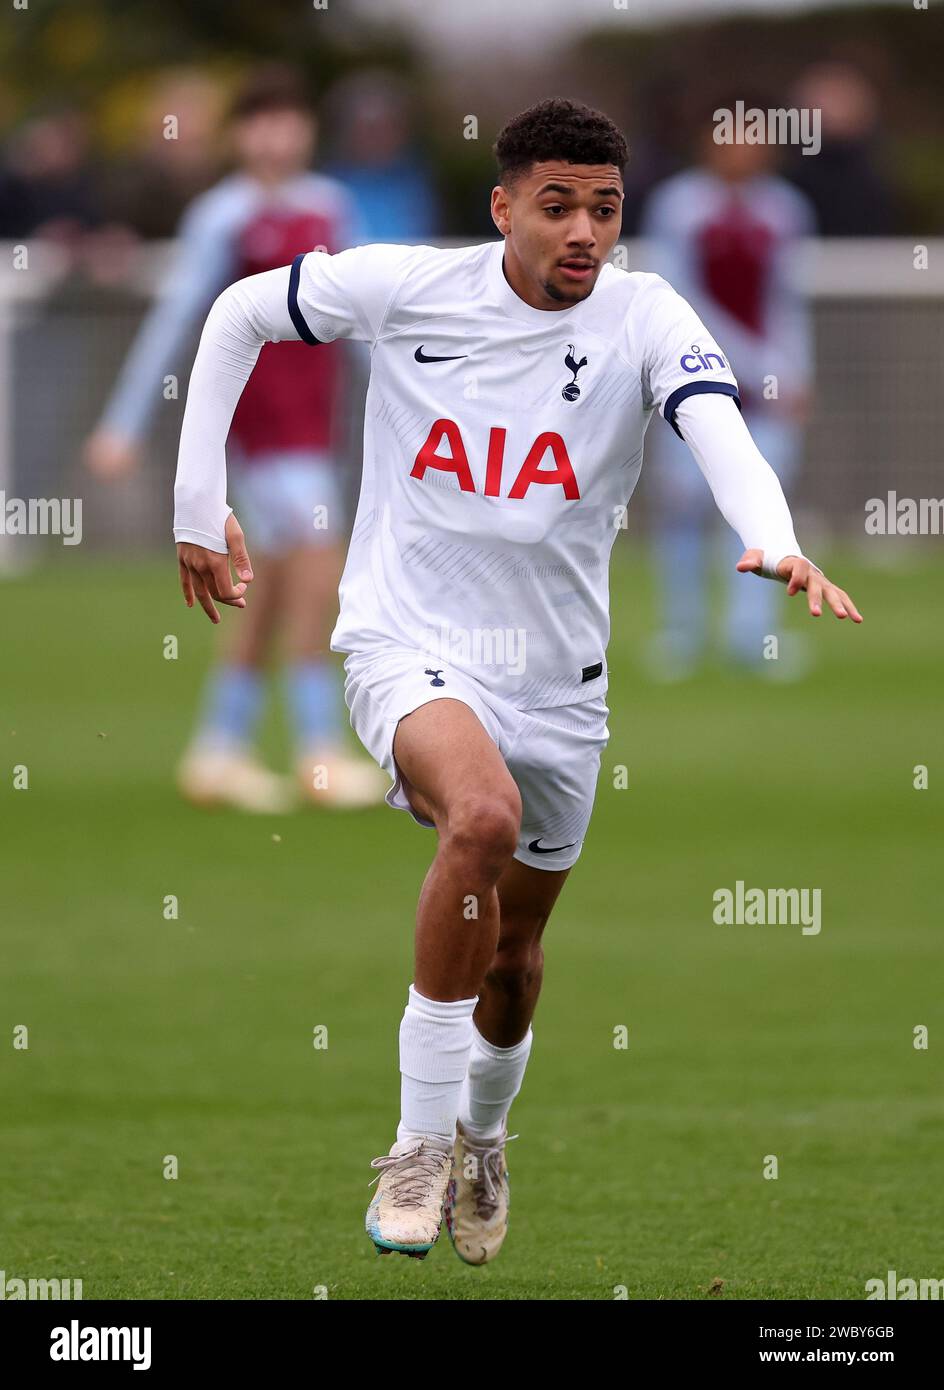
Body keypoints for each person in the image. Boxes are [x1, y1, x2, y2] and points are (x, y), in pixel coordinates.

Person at [171, 98, 862, 1263]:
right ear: (502, 209)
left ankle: (482, 1138)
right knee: (479, 817)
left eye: (603, 208)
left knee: (513, 957)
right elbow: (241, 309)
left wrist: (773, 535)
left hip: (558, 684)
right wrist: (197, 505)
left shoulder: (644, 314)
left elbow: (715, 421)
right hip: (406, 642)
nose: (582, 230)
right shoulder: (409, 287)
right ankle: (415, 1146)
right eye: (556, 206)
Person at [85, 64, 386, 812]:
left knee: (272, 588)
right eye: (261, 120)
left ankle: (219, 749)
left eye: (289, 118)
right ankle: (319, 753)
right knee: (318, 572)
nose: (276, 135)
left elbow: (367, 318)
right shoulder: (222, 216)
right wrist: (123, 421)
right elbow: (176, 320)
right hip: (257, 430)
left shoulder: (331, 208)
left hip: (316, 427)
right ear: (241, 135)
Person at [640, 100, 817, 677]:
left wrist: (794, 371)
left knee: (762, 507)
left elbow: (786, 301)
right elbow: (680, 296)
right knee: (685, 505)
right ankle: (682, 631)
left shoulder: (785, 209)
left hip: (766, 390)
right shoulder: (679, 206)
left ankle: (754, 635)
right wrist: (740, 362)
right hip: (693, 380)